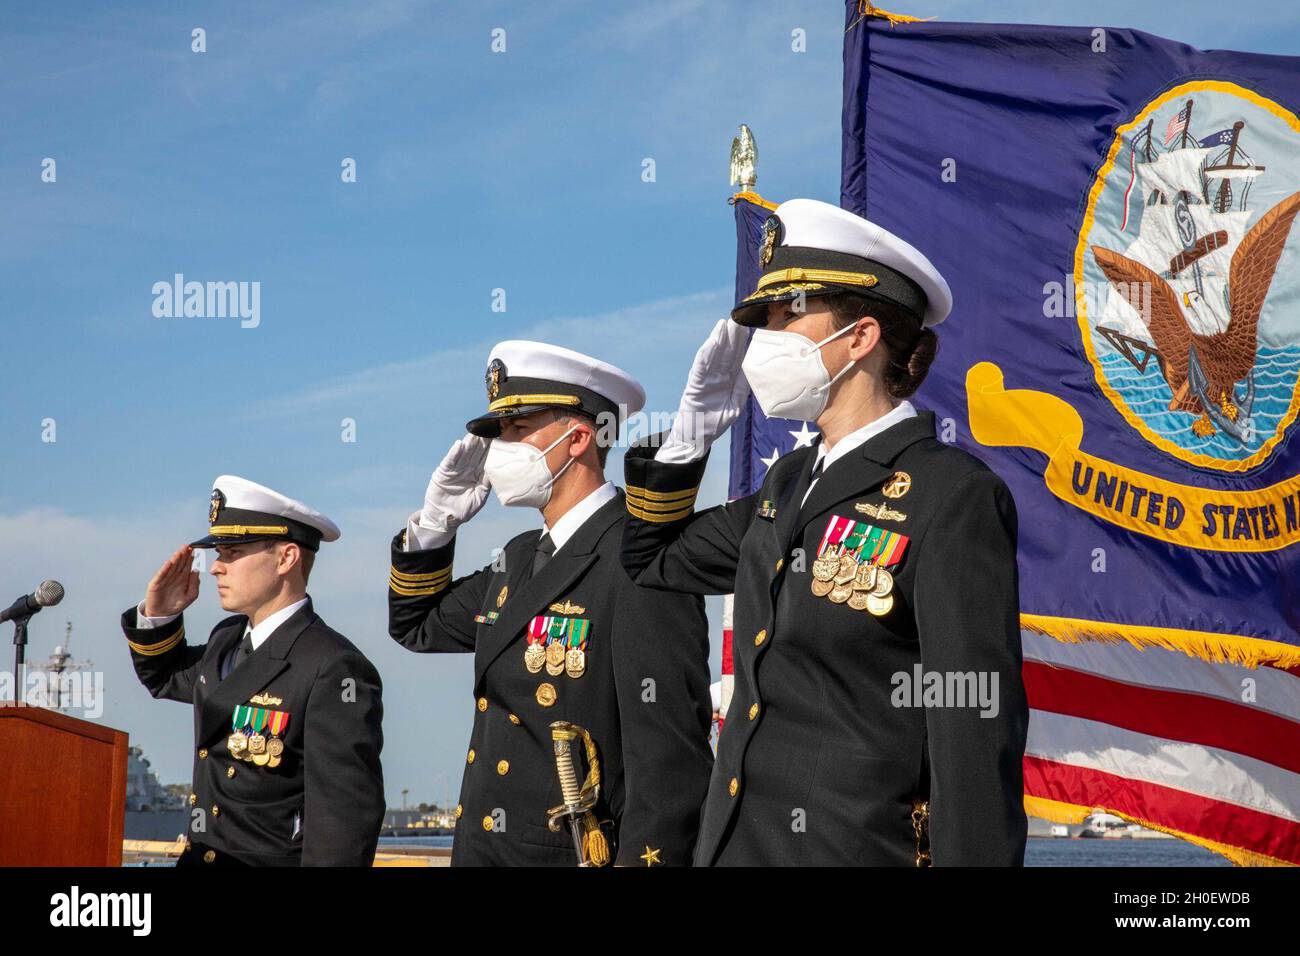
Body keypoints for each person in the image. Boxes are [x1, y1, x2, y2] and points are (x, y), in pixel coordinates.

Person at [620, 198, 1028, 866]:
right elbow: (654, 558)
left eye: (787, 313)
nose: (766, 335)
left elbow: (973, 730)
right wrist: (689, 438)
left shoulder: (950, 496)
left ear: (860, 337)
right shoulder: (788, 487)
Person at [387, 340, 712, 866]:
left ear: (579, 438)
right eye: (498, 434)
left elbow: (669, 763)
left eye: (516, 430)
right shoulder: (514, 560)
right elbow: (417, 625)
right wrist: (433, 526)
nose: (499, 451)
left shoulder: (638, 558)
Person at [121, 475, 385, 866]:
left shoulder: (332, 666)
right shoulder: (227, 639)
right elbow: (165, 677)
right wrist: (160, 614)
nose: (215, 569)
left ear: (286, 558)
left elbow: (343, 821)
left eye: (232, 553)